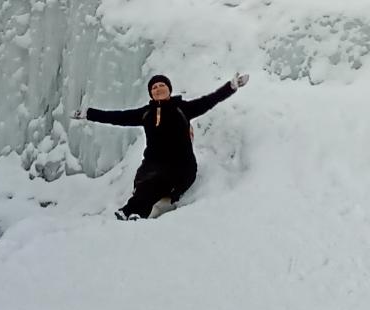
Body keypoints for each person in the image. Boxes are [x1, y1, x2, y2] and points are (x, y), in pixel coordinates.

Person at [74, 71, 248, 220]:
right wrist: (88, 114)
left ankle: (133, 212)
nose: (158, 89)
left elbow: (209, 100)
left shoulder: (182, 108)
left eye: (161, 85)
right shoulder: (146, 113)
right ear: (151, 93)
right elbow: (117, 117)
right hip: (153, 167)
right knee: (148, 185)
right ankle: (130, 213)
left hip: (182, 167)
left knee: (158, 183)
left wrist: (231, 87)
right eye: (154, 87)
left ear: (169, 89)